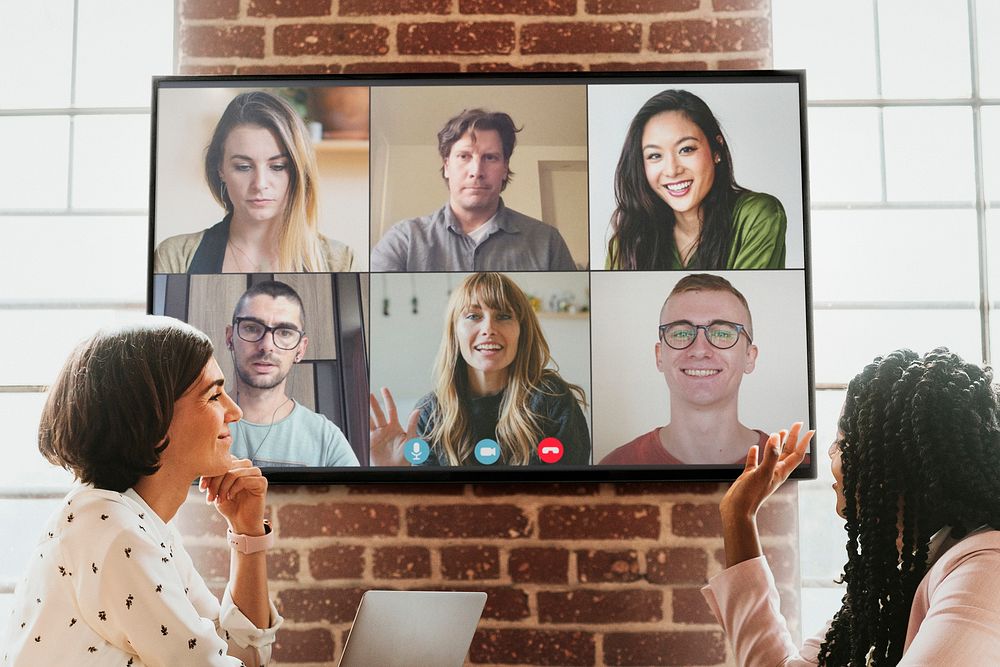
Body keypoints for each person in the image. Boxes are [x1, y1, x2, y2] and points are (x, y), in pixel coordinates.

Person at [1, 317, 281, 665]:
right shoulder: (112, 530)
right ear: (152, 418)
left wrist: (247, 532)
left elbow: (242, 653)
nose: (234, 412)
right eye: (213, 396)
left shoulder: (140, 523)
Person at [705, 348, 1000, 665]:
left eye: (842, 441)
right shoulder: (898, 577)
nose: (831, 452)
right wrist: (739, 515)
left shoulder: (985, 568)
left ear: (888, 463)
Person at [369, 272, 590, 466]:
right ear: (454, 332)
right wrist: (395, 474)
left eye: (503, 316)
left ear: (522, 331)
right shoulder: (429, 413)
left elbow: (569, 492)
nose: (488, 329)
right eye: (473, 316)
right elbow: (426, 499)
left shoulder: (551, 399)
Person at [154, 90, 353, 273]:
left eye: (277, 167)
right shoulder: (176, 257)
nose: (259, 184)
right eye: (243, 167)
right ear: (220, 169)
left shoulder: (340, 261)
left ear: (299, 172)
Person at [370, 108, 577, 272]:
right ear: (447, 166)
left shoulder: (548, 242)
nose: (476, 171)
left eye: (490, 157)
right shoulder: (403, 240)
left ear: (505, 168)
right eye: (464, 156)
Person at [606, 89, 786, 271]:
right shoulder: (629, 239)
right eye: (654, 155)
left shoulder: (756, 216)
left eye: (686, 149)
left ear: (716, 149)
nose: (672, 170)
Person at [600, 273, 767, 465]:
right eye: (680, 333)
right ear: (659, 356)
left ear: (749, 357)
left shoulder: (791, 467)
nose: (699, 350)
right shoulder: (614, 467)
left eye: (722, 334)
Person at [225, 280, 358, 468]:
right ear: (230, 337)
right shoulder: (193, 422)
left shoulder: (327, 440)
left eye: (285, 333)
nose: (267, 346)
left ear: (300, 349)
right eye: (252, 328)